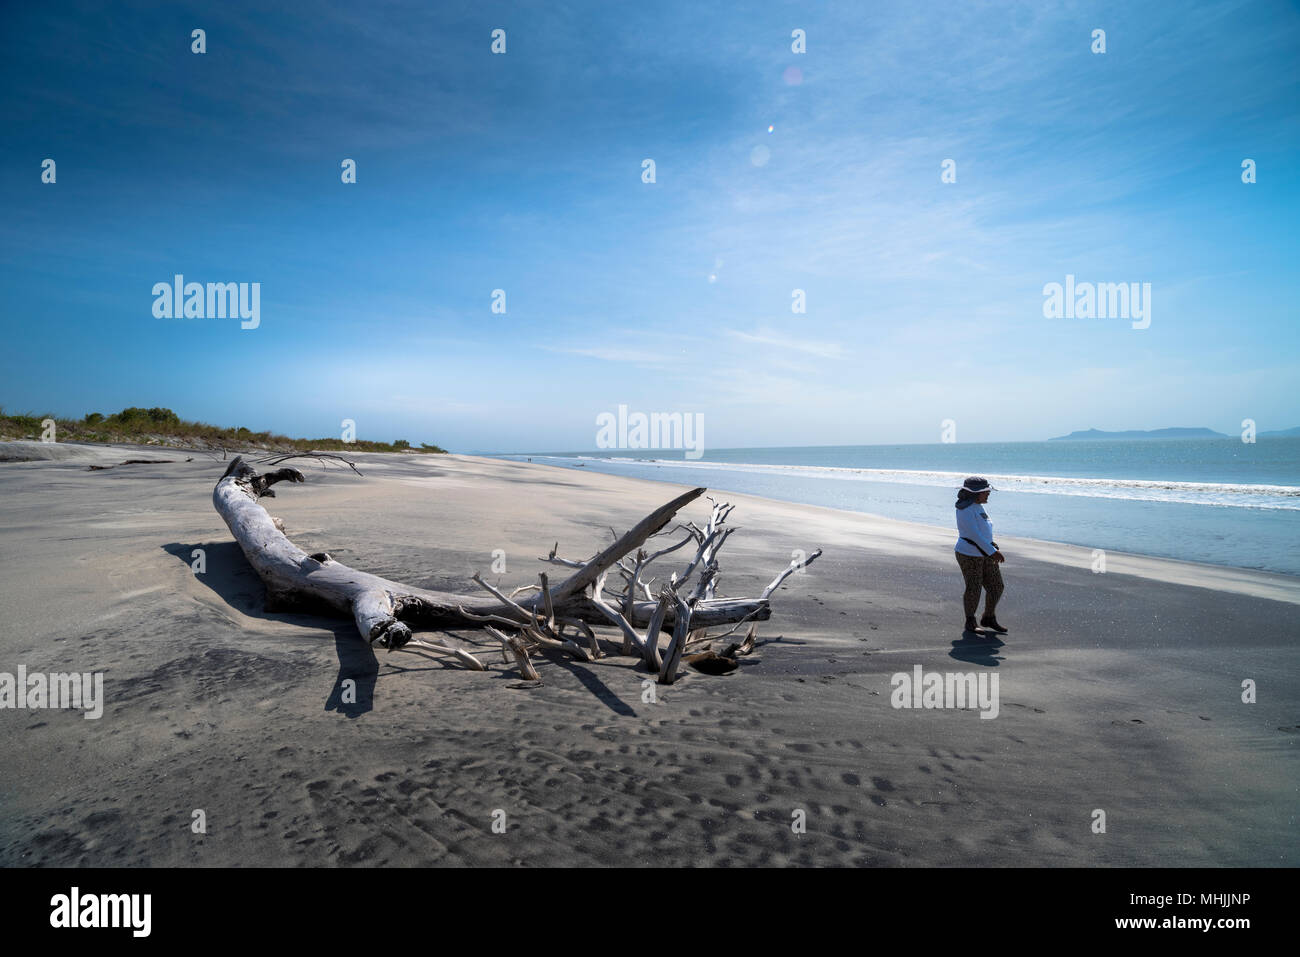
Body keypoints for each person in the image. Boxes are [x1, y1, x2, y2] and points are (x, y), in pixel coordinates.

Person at [953, 476, 1007, 634]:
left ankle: (988, 617)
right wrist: (992, 551)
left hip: (984, 552)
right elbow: (973, 534)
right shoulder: (965, 509)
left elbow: (982, 531)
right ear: (976, 493)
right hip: (968, 553)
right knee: (974, 587)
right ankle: (970, 621)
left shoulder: (978, 506)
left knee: (997, 586)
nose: (989, 493)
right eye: (986, 491)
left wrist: (992, 545)